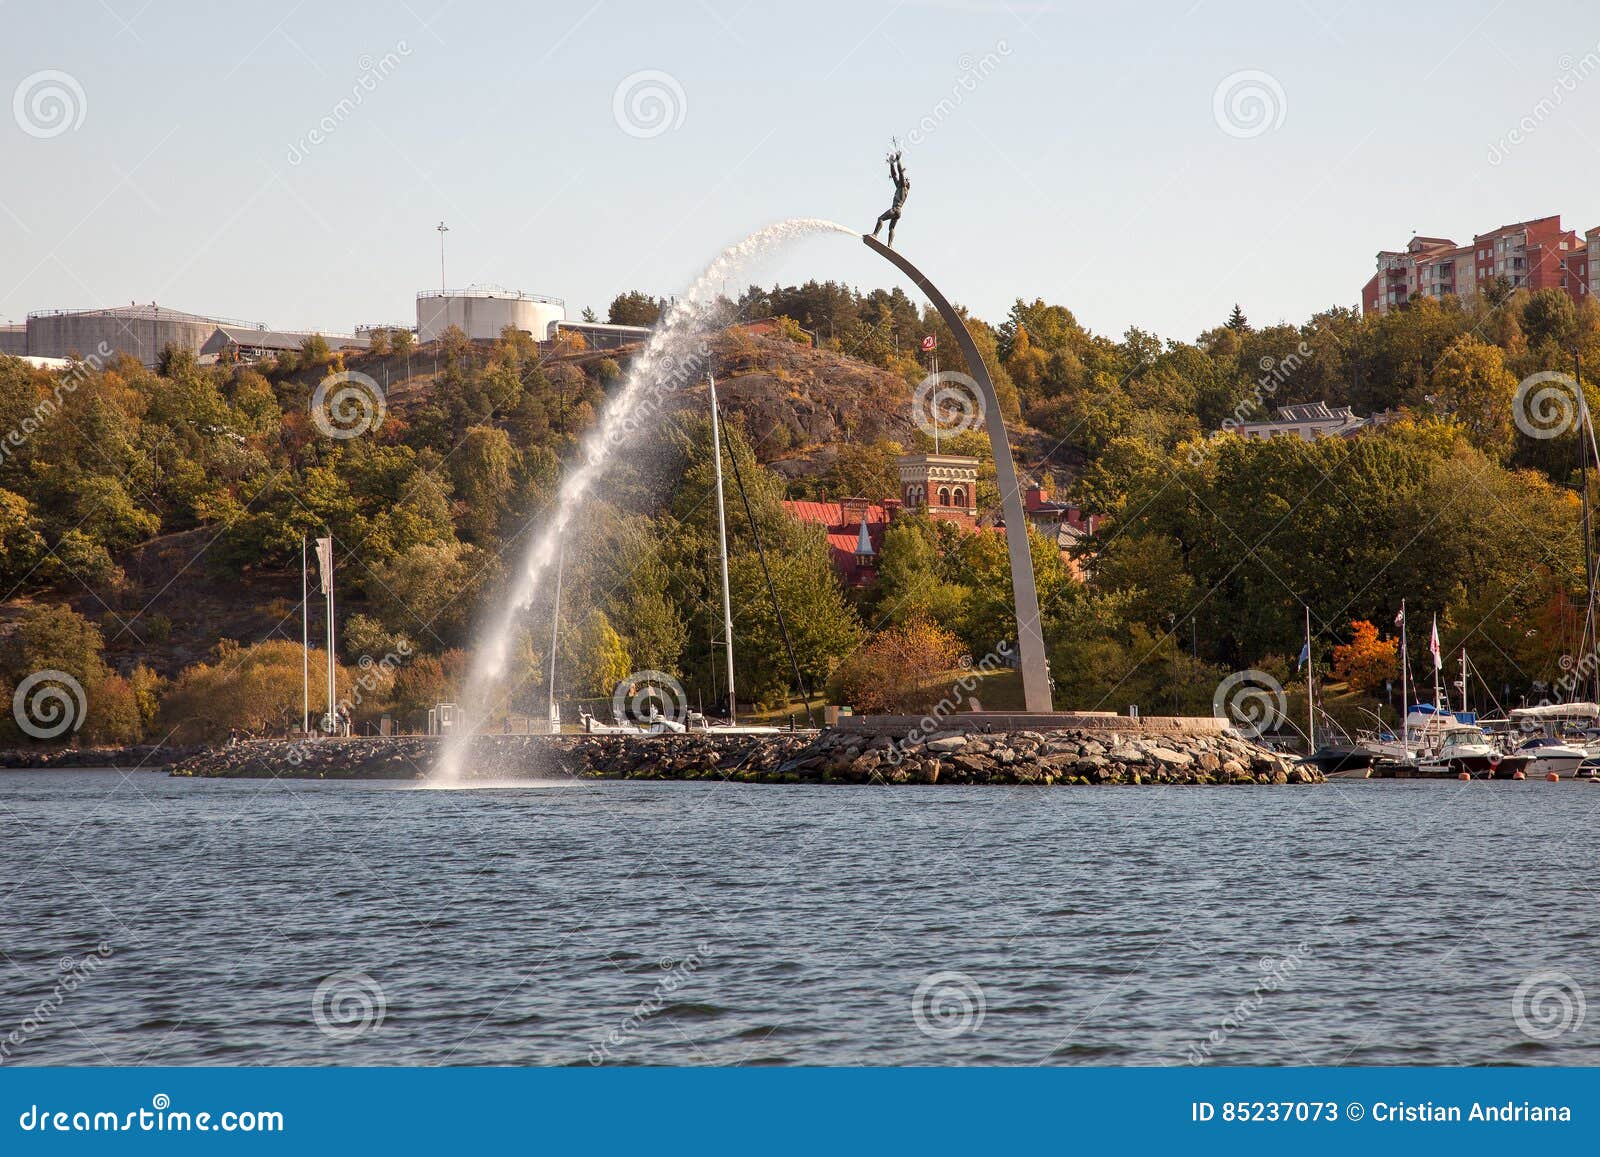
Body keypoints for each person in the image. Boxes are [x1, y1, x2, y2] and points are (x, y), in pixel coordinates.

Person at [872, 151, 910, 247]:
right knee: (891, 228)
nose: (904, 179)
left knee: (880, 219)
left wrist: (898, 160)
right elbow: (894, 175)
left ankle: (874, 235)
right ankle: (890, 245)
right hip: (899, 212)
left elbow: (900, 173)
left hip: (895, 209)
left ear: (906, 184)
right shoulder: (900, 188)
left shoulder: (903, 186)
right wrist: (891, 164)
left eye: (905, 180)